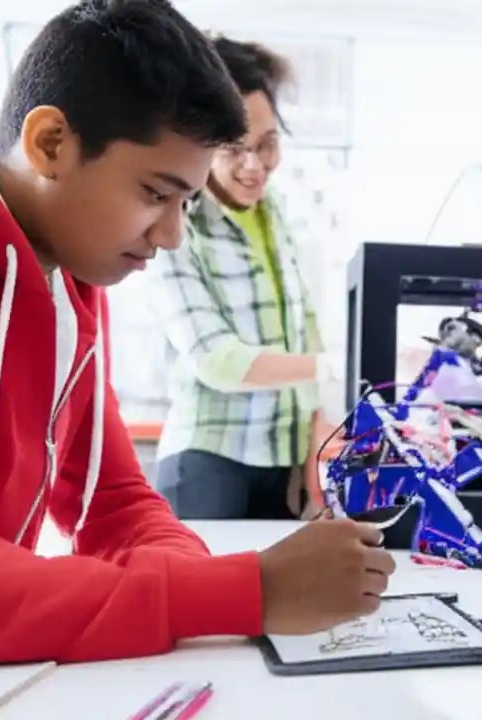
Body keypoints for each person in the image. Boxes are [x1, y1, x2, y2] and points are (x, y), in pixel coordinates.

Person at [0, 0, 393, 668]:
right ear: (51, 144)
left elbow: (115, 504)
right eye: (156, 193)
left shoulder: (70, 273)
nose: (171, 234)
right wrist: (240, 590)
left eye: (185, 202)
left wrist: (222, 591)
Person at [152, 36, 336, 521]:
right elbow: (215, 360)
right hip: (208, 460)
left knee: (275, 598)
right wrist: (331, 366)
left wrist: (307, 451)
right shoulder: (176, 222)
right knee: (202, 595)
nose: (255, 167)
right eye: (235, 149)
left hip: (281, 463)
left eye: (268, 145)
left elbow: (304, 330)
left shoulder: (277, 215)